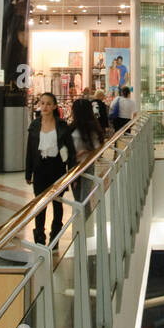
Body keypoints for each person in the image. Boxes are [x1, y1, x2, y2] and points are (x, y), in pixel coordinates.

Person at [25, 92, 77, 245]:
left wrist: (72, 172)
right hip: (40, 168)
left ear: (54, 106)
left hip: (57, 167)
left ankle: (55, 234)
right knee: (40, 204)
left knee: (57, 203)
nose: (45, 107)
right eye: (42, 103)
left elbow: (71, 150)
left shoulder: (61, 125)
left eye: (48, 104)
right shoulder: (35, 125)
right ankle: (39, 236)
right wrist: (28, 172)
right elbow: (30, 150)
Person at [69, 96, 105, 206]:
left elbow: (98, 151)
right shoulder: (72, 128)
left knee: (83, 200)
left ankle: (84, 222)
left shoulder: (91, 129)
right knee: (78, 200)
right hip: (74, 166)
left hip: (86, 166)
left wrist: (85, 152)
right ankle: (81, 222)